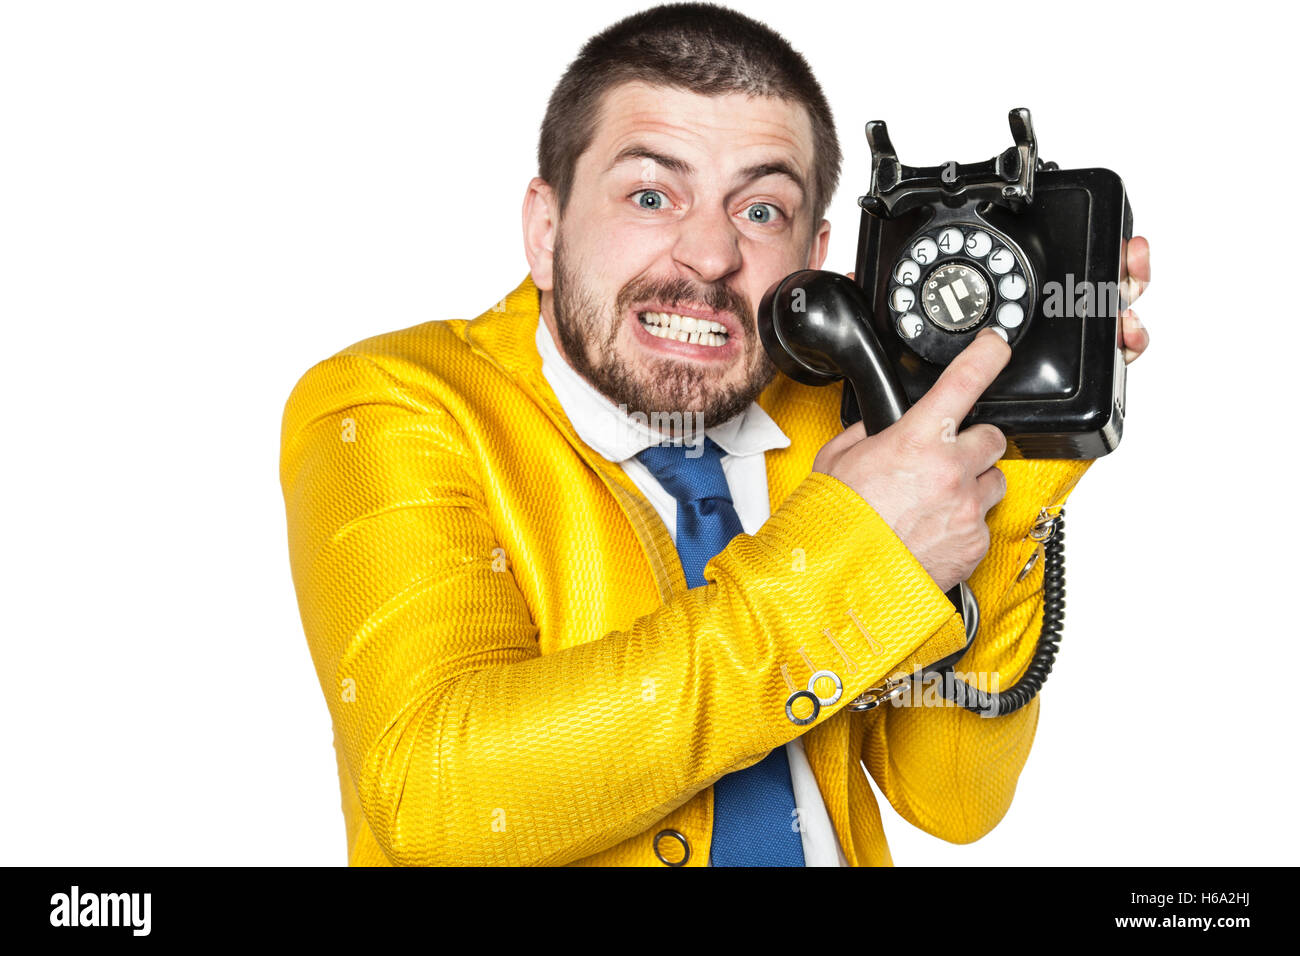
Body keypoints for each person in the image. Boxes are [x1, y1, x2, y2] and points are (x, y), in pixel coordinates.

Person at [278, 2, 1151, 866]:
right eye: (652, 194)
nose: (709, 254)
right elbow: (440, 799)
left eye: (760, 211)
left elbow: (953, 796)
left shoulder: (837, 417)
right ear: (545, 232)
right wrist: (848, 554)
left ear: (814, 258)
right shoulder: (386, 404)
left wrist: (1009, 454)